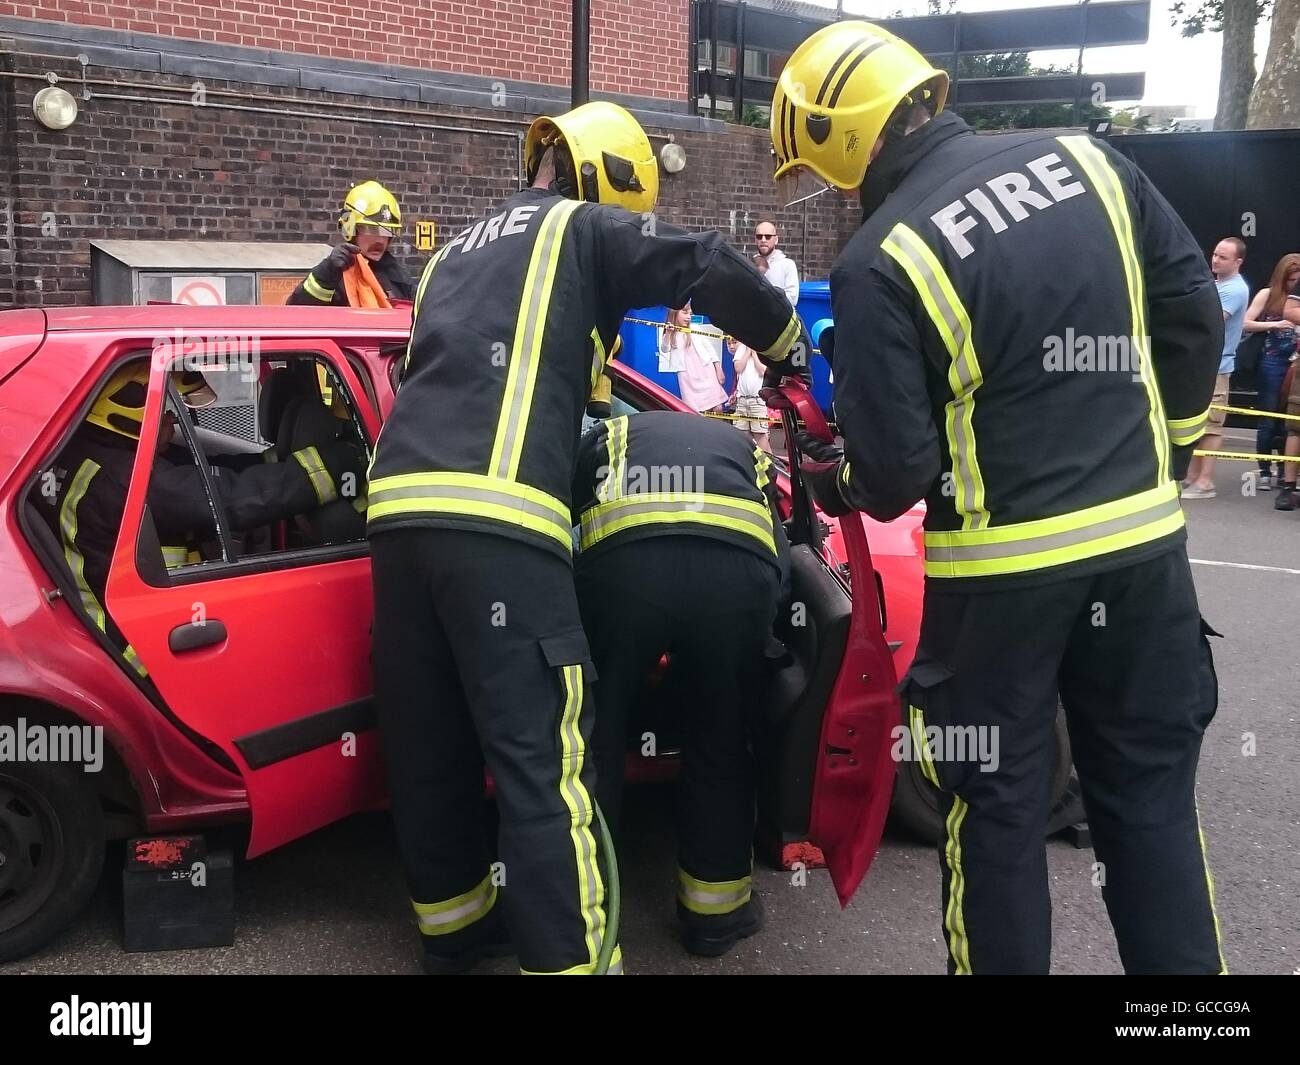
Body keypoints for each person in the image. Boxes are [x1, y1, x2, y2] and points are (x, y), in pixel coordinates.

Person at [771, 19, 1225, 974]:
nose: (841, 195)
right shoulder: (1092, 162)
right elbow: (1187, 311)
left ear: (847, 140)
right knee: (1148, 811)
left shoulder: (879, 261)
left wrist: (830, 473)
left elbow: (892, 470)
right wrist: (1168, 451)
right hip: (1145, 560)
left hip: (1002, 590)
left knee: (996, 819)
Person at [365, 100, 807, 976]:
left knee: (430, 747)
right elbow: (705, 263)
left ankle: (456, 932)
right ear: (601, 179)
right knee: (546, 770)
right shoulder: (579, 229)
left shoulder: (451, 253)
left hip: (397, 519)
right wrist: (787, 346)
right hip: (497, 521)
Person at [572, 410, 788, 958]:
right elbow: (779, 542)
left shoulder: (607, 436)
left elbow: (564, 510)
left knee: (596, 735)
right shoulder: (742, 444)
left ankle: (584, 915)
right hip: (735, 578)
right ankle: (714, 917)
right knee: (719, 735)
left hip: (626, 571)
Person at [40, 362, 362, 678]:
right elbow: (228, 499)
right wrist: (338, 465)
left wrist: (275, 461)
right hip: (134, 657)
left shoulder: (97, 452)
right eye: (164, 407)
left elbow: (203, 472)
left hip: (114, 629)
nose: (170, 419)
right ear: (127, 409)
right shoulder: (122, 478)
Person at [1182, 237, 1250, 499]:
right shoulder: (1218, 284)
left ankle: (1205, 481)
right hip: (1204, 364)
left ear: (1238, 262)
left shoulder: (1234, 289)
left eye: (1223, 257)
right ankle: (1191, 477)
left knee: (1211, 426)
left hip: (1218, 366)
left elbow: (1209, 321)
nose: (1215, 259)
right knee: (1196, 422)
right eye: (1215, 254)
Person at [288, 180, 415, 307]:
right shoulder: (333, 275)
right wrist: (327, 273)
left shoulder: (398, 277)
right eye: (371, 229)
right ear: (350, 229)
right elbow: (297, 311)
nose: (380, 240)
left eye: (388, 231)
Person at [1241, 253, 1300, 488]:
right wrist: (1274, 324)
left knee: (1291, 420)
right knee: (1268, 417)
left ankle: (1286, 470)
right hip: (1272, 360)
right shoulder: (1268, 295)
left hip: (1294, 361)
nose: (1294, 284)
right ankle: (1265, 469)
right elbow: (1246, 323)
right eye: (1291, 279)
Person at [659, 304, 728, 413]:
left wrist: (718, 369)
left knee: (718, 407)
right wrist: (668, 333)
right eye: (685, 313)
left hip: (706, 371)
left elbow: (709, 349)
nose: (688, 317)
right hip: (687, 376)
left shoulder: (694, 328)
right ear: (674, 313)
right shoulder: (671, 332)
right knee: (695, 412)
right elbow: (664, 349)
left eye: (690, 314)